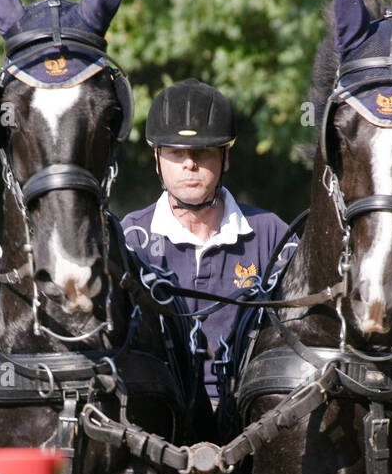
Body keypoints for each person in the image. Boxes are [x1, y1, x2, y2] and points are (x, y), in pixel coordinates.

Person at [121, 79, 296, 406]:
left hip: (253, 415)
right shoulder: (130, 239)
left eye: (202, 151)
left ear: (225, 158)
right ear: (157, 160)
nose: (190, 164)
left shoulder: (272, 234)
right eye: (176, 153)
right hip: (158, 416)